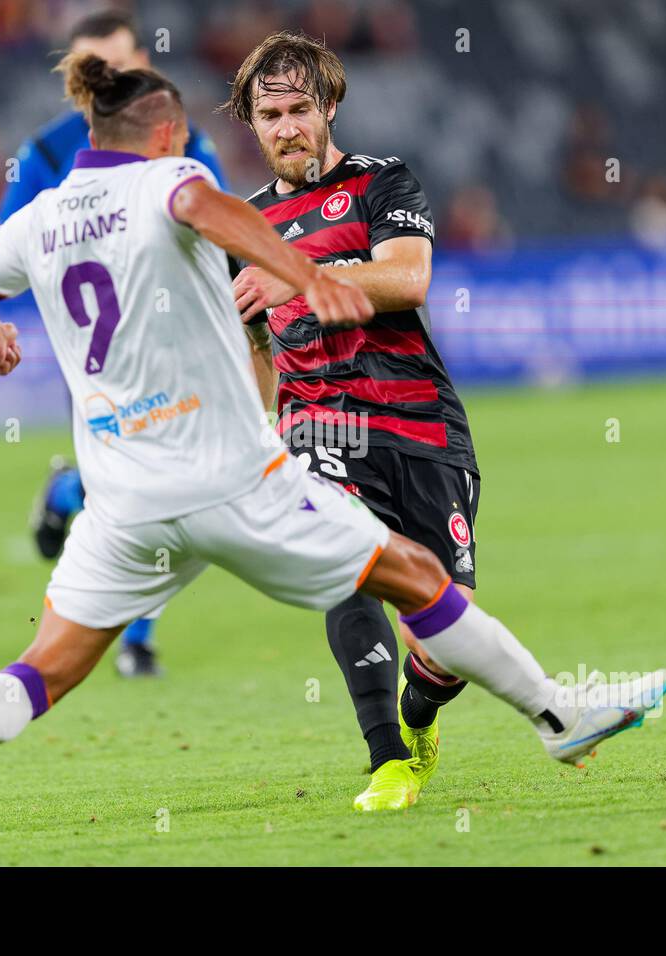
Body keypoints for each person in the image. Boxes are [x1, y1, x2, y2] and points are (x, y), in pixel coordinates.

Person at [0, 54, 666, 862]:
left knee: (41, 669)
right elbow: (210, 210)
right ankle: (557, 719)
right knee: (413, 574)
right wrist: (308, 274)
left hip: (123, 505)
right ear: (162, 133)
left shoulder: (40, 216)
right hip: (231, 479)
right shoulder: (171, 182)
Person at [225, 32, 478, 810]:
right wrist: (266, 424)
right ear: (253, 123)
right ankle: (385, 757)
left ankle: (418, 711)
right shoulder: (241, 225)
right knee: (343, 555)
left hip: (420, 422)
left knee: (450, 640)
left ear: (329, 108)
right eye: (269, 114)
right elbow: (253, 337)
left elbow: (409, 278)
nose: (286, 128)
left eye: (300, 109)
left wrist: (296, 274)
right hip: (318, 427)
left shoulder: (380, 182)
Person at [0, 9, 228, 679]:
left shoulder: (181, 140)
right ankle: (127, 636)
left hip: (175, 336)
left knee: (164, 474)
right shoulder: (44, 152)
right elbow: (6, 237)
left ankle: (70, 496)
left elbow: (223, 218)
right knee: (143, 480)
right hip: (96, 349)